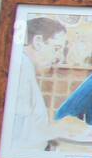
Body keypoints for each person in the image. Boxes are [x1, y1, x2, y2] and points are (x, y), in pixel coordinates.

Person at [11, 17, 67, 150]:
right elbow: (18, 135)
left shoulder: (25, 66)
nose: (59, 57)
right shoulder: (21, 68)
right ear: (37, 42)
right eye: (56, 48)